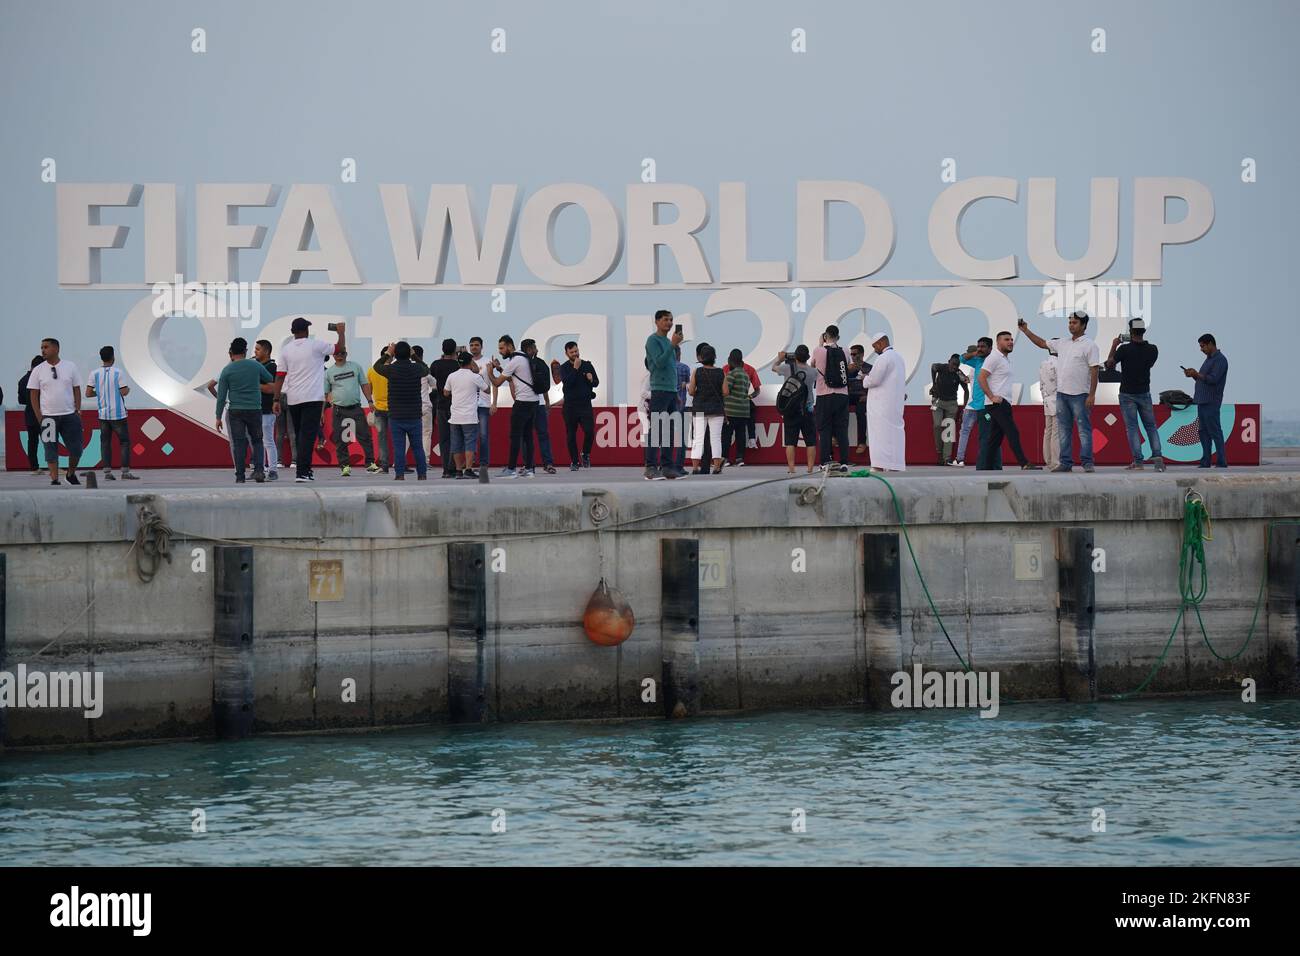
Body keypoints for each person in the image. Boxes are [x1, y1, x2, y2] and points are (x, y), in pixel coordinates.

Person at [1019, 312, 1100, 473]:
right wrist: (1026, 331)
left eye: (1075, 322)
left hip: (1080, 395)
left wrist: (1092, 394)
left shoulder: (1090, 345)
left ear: (1084, 325)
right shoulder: (1062, 342)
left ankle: (1087, 462)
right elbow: (1042, 343)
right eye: (1070, 322)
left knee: (1083, 430)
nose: (1071, 325)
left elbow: (1095, 370)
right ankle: (1065, 463)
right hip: (1062, 395)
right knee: (1063, 431)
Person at [273, 317, 343, 482]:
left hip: (293, 399)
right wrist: (341, 333)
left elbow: (280, 376)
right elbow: (340, 348)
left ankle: (304, 470)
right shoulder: (316, 345)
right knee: (308, 436)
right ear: (307, 330)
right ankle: (303, 472)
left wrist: (276, 399)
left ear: (292, 332)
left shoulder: (286, 350)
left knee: (298, 435)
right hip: (312, 398)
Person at [976, 331, 1042, 471]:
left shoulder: (1004, 359)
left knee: (995, 439)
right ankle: (1024, 463)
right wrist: (992, 396)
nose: (1011, 342)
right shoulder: (994, 357)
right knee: (1012, 431)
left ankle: (985, 469)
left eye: (1011, 339)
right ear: (998, 342)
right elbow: (981, 377)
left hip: (1003, 403)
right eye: (1006, 339)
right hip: (997, 403)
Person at [1106, 318, 1165, 471]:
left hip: (1127, 394)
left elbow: (1109, 365)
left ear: (1131, 331)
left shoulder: (1124, 349)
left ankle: (1138, 462)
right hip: (1144, 392)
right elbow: (1149, 364)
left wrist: (1114, 345)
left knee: (1132, 428)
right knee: (1151, 426)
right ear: (1144, 331)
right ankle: (1158, 457)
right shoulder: (1153, 349)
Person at [215, 337, 274, 483]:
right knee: (257, 441)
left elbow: (221, 396)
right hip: (254, 409)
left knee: (239, 443)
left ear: (231, 352)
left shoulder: (227, 370)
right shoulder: (255, 366)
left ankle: (240, 476)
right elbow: (269, 378)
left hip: (235, 411)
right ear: (245, 351)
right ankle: (259, 471)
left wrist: (218, 417)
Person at [27, 338, 84, 485]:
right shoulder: (38, 370)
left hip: (69, 415)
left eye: (46, 347)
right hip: (48, 417)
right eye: (41, 347)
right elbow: (33, 394)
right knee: (50, 449)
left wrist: (78, 409)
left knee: (76, 448)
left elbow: (76, 389)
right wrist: (39, 416)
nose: (43, 350)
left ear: (56, 349)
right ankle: (54, 478)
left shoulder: (70, 366)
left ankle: (70, 473)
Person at [371, 341, 429, 480]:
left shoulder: (391, 369)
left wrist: (388, 353)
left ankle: (399, 475)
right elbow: (426, 368)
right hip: (414, 415)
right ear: (409, 353)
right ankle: (422, 475)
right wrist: (414, 356)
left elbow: (376, 366)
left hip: (396, 416)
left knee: (399, 448)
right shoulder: (416, 369)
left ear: (395, 354)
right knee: (418, 448)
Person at [486, 334, 539, 478]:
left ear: (510, 346)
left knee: (515, 436)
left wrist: (490, 372)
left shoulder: (514, 361)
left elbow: (496, 383)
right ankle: (529, 469)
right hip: (533, 401)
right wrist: (499, 369)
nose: (500, 351)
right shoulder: (524, 358)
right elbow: (513, 377)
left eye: (502, 348)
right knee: (528, 437)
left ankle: (511, 469)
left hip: (522, 403)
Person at [84, 346, 138, 480]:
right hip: (118, 413)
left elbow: (88, 393)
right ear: (113, 357)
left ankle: (107, 472)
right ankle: (125, 472)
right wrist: (128, 390)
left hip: (103, 414)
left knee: (105, 443)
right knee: (124, 442)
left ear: (101, 358)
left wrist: (100, 393)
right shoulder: (118, 372)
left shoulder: (94, 373)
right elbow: (124, 391)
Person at [643, 310, 686, 480]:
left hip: (670, 391)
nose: (669, 323)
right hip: (659, 390)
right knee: (657, 429)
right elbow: (659, 364)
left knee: (668, 430)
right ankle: (650, 467)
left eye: (671, 320)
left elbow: (671, 369)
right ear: (657, 321)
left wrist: (675, 392)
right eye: (665, 319)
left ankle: (667, 466)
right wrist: (672, 345)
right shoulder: (653, 340)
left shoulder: (668, 341)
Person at [324, 346, 379, 476]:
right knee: (340, 439)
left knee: (365, 435)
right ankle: (345, 466)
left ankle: (370, 463)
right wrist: (322, 412)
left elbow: (364, 384)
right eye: (337, 353)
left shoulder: (355, 366)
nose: (339, 355)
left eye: (342, 353)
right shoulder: (329, 372)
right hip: (338, 410)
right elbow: (325, 393)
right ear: (333, 355)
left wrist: (370, 401)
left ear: (346, 354)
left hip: (355, 408)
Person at [861, 333, 906, 472]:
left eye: (875, 347)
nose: (875, 350)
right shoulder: (899, 358)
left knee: (879, 435)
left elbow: (873, 380)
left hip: (881, 405)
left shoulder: (883, 358)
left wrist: (865, 378)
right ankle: (895, 465)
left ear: (881, 343)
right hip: (894, 404)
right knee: (894, 434)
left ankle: (878, 465)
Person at [551, 341, 599, 470]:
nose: (575, 354)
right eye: (571, 352)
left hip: (585, 405)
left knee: (589, 432)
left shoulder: (588, 365)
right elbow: (567, 383)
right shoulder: (564, 367)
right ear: (566, 354)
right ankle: (574, 461)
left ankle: (585, 453)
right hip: (570, 406)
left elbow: (596, 383)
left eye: (576, 351)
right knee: (571, 434)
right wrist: (575, 368)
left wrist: (591, 379)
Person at [1184, 333, 1229, 468]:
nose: (1201, 349)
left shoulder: (1220, 360)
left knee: (1215, 431)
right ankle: (1206, 460)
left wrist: (1196, 374)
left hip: (1211, 401)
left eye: (1203, 346)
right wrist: (1193, 375)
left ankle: (1221, 461)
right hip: (1202, 401)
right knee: (1203, 432)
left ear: (1210, 344)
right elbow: (1204, 379)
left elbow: (1213, 379)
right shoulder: (1209, 359)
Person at [772, 346, 820, 474]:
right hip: (808, 409)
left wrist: (780, 358)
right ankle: (810, 469)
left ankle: (792, 468)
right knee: (810, 441)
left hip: (791, 410)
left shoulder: (787, 368)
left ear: (795, 357)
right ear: (808, 357)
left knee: (790, 441)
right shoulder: (813, 372)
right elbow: (817, 377)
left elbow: (773, 367)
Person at [811, 324, 850, 470]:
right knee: (842, 429)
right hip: (842, 394)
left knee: (824, 429)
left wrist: (820, 344)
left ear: (825, 336)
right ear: (838, 337)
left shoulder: (818, 350)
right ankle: (844, 462)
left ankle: (825, 462)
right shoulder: (845, 351)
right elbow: (847, 366)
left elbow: (812, 365)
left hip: (824, 395)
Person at [444, 350, 488, 478]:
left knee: (456, 444)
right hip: (469, 416)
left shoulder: (452, 376)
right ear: (471, 362)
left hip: (455, 415)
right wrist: (475, 368)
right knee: (470, 443)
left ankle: (458, 470)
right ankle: (468, 469)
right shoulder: (475, 377)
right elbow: (487, 389)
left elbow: (446, 392)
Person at [952, 337, 992, 467]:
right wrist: (975, 353)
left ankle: (978, 460)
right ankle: (959, 458)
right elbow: (962, 358)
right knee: (966, 431)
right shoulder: (976, 362)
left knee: (985, 433)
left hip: (984, 405)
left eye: (982, 347)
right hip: (972, 405)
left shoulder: (986, 363)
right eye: (977, 347)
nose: (979, 350)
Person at [521, 339, 558, 474]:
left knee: (542, 434)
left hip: (539, 404)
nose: (536, 350)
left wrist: (547, 401)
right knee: (530, 435)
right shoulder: (520, 365)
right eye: (534, 347)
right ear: (528, 349)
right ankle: (529, 465)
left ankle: (547, 463)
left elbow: (544, 385)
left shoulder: (541, 364)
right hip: (526, 404)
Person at [687, 343, 724, 474]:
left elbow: (691, 391)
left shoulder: (697, 372)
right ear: (714, 357)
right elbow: (725, 392)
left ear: (701, 358)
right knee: (715, 438)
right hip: (716, 409)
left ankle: (695, 468)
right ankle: (717, 467)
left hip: (700, 408)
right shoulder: (720, 372)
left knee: (698, 438)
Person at [426, 339, 460, 478]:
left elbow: (430, 377)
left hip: (440, 405)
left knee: (444, 439)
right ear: (454, 350)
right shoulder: (458, 365)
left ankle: (446, 469)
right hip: (455, 405)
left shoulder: (435, 364)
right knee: (456, 438)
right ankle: (453, 467)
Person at [929, 354, 968, 465]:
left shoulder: (959, 374)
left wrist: (964, 407)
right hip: (938, 401)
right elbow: (933, 367)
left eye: (957, 365)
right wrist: (934, 384)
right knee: (937, 425)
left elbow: (966, 390)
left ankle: (946, 458)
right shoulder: (942, 367)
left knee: (949, 429)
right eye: (953, 364)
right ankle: (940, 453)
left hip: (951, 404)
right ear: (949, 361)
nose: (954, 367)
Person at [721, 348, 753, 466]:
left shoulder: (731, 374)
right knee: (741, 436)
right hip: (744, 410)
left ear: (730, 361)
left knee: (726, 435)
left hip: (731, 411)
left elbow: (725, 391)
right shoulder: (745, 375)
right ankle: (740, 458)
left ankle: (725, 458)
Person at [468, 336, 496, 472]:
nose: (474, 347)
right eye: (472, 345)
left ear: (481, 347)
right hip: (468, 405)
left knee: (483, 435)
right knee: (469, 435)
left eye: (477, 345)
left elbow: (494, 383)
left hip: (484, 404)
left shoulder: (487, 362)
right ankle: (469, 463)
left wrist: (494, 403)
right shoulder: (465, 363)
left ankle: (484, 463)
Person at [367, 346, 392, 472]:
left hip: (379, 408)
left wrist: (370, 402)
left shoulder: (372, 371)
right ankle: (401, 464)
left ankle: (384, 465)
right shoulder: (394, 369)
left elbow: (369, 390)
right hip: (394, 408)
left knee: (382, 438)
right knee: (399, 437)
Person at [17, 355, 43, 473]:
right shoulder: (40, 379)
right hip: (43, 414)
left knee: (32, 442)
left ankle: (34, 467)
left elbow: (21, 400)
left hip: (30, 415)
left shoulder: (22, 380)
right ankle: (54, 464)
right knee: (50, 441)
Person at [1039, 348, 1059, 470]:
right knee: (1056, 432)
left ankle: (1048, 460)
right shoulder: (1059, 363)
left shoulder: (1043, 363)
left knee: (1048, 431)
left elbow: (1041, 384)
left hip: (1047, 399)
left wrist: (1044, 397)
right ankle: (1056, 462)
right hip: (1057, 399)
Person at [848, 344, 869, 455]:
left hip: (862, 397)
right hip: (849, 396)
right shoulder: (847, 368)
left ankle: (862, 442)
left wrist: (867, 396)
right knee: (838, 407)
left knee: (860, 412)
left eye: (855, 354)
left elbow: (875, 384)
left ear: (861, 354)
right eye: (851, 354)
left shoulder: (869, 368)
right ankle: (835, 436)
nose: (852, 356)